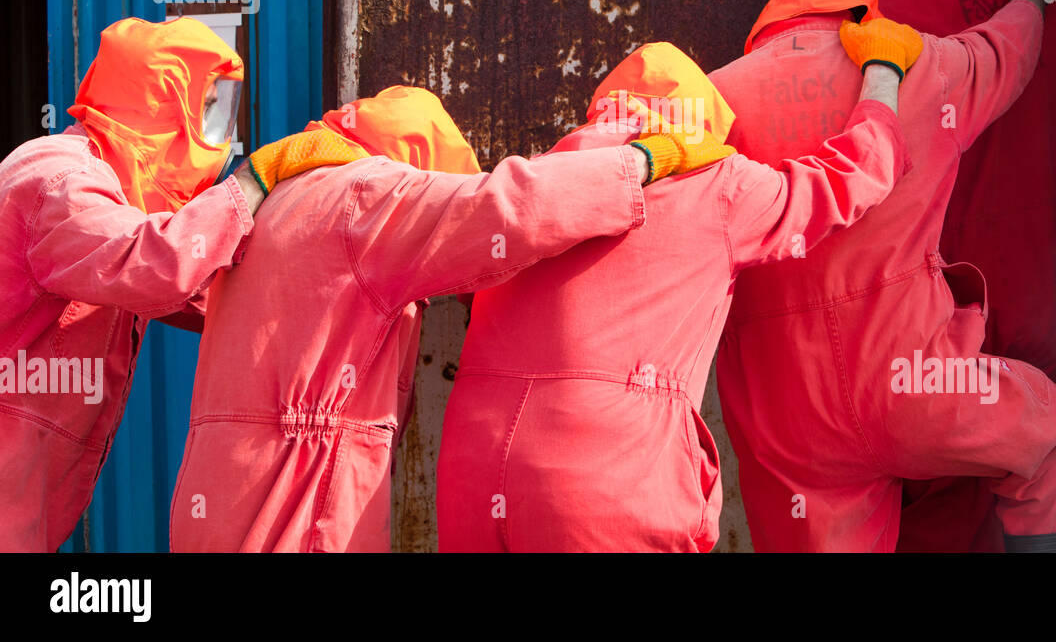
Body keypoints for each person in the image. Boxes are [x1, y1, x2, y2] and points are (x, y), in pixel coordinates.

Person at [169, 85, 722, 552]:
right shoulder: (373, 196)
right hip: (297, 495)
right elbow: (507, 206)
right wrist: (643, 163)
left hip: (217, 486)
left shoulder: (281, 201)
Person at [437, 31, 916, 552]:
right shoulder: (718, 186)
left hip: (472, 474)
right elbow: (848, 178)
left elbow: (474, 286)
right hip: (609, 483)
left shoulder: (539, 180)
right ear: (704, 125)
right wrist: (883, 71)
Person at [710, 0, 1056, 552]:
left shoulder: (715, 101)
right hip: (917, 384)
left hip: (788, 424)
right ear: (864, 7)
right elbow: (1008, 51)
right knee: (1054, 433)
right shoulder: (918, 65)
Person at [0, 17, 340, 551]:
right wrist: (256, 180)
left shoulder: (112, 198)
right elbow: (152, 265)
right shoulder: (59, 179)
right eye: (206, 111)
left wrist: (320, 281)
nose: (217, 142)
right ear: (160, 107)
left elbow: (197, 292)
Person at [862, 0, 1056, 551]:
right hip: (1045, 306)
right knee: (1040, 481)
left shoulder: (885, 26)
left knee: (940, 516)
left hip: (942, 323)